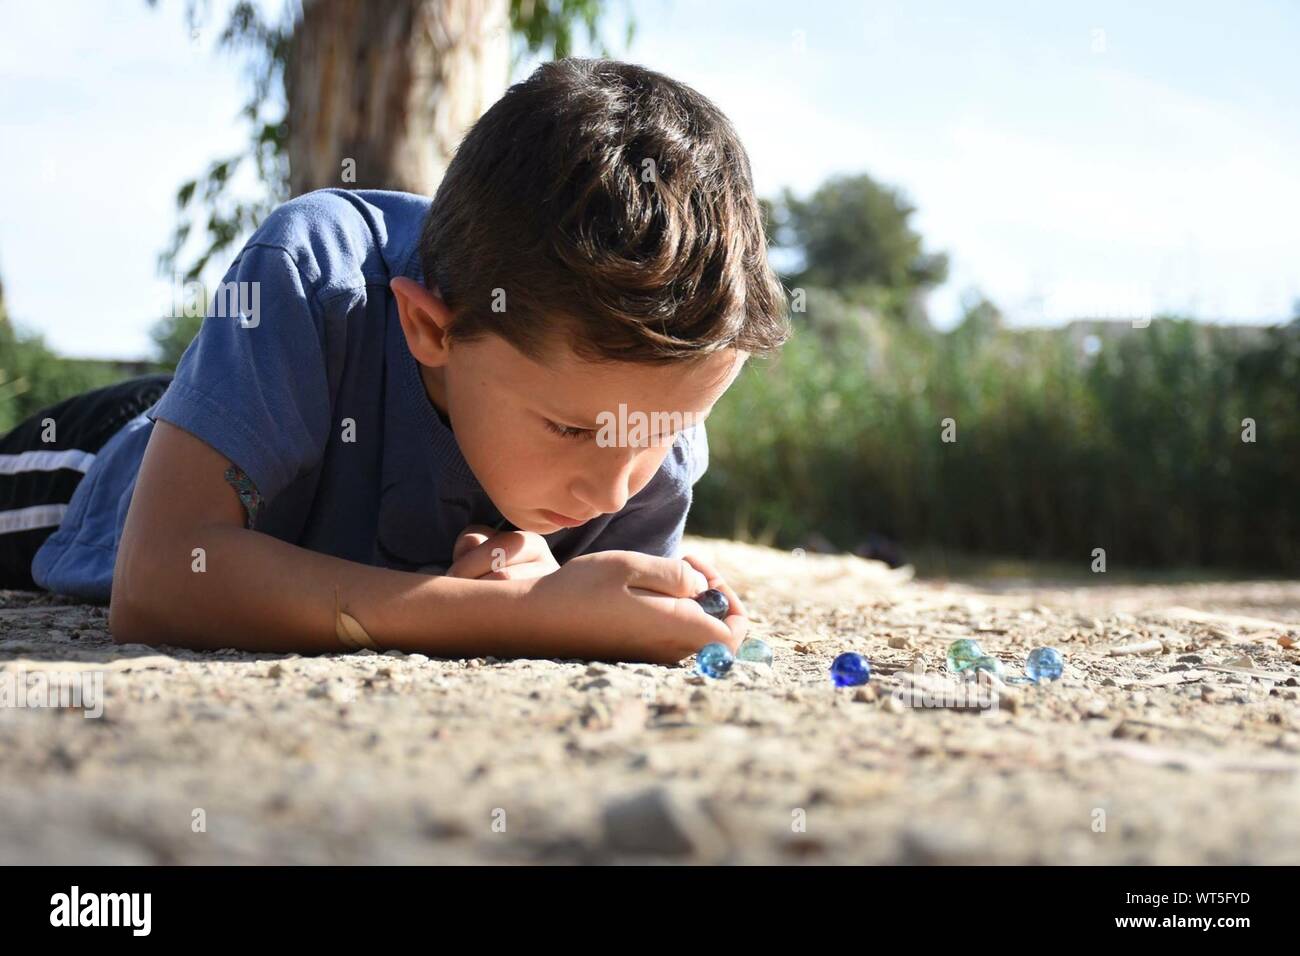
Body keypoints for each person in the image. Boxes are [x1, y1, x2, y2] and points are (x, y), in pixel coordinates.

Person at [0, 59, 789, 664]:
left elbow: (597, 602)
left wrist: (564, 587)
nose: (613, 490)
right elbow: (160, 581)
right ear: (427, 327)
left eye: (658, 432)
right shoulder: (317, 275)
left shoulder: (652, 402)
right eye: (571, 430)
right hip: (93, 464)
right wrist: (519, 615)